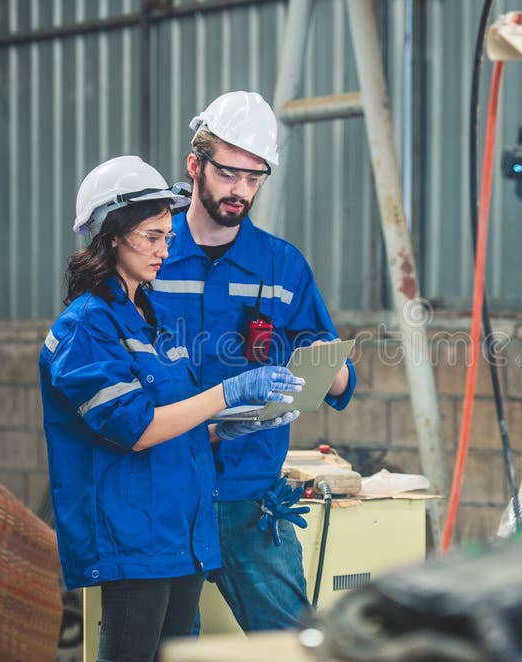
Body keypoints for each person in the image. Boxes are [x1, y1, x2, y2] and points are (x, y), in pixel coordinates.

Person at [39, 155, 304, 661]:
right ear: (111, 234)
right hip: (134, 537)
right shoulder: (87, 328)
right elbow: (136, 430)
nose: (165, 249)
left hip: (180, 533)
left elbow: (174, 422)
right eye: (151, 236)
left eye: (167, 236)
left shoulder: (150, 319)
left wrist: (229, 428)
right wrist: (228, 392)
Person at [152, 91, 357, 632]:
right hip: (163, 497)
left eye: (254, 177)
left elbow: (335, 373)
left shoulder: (282, 265)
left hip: (249, 501)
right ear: (195, 165)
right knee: (164, 647)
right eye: (228, 173)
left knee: (294, 642)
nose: (240, 190)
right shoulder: (150, 252)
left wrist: (327, 366)